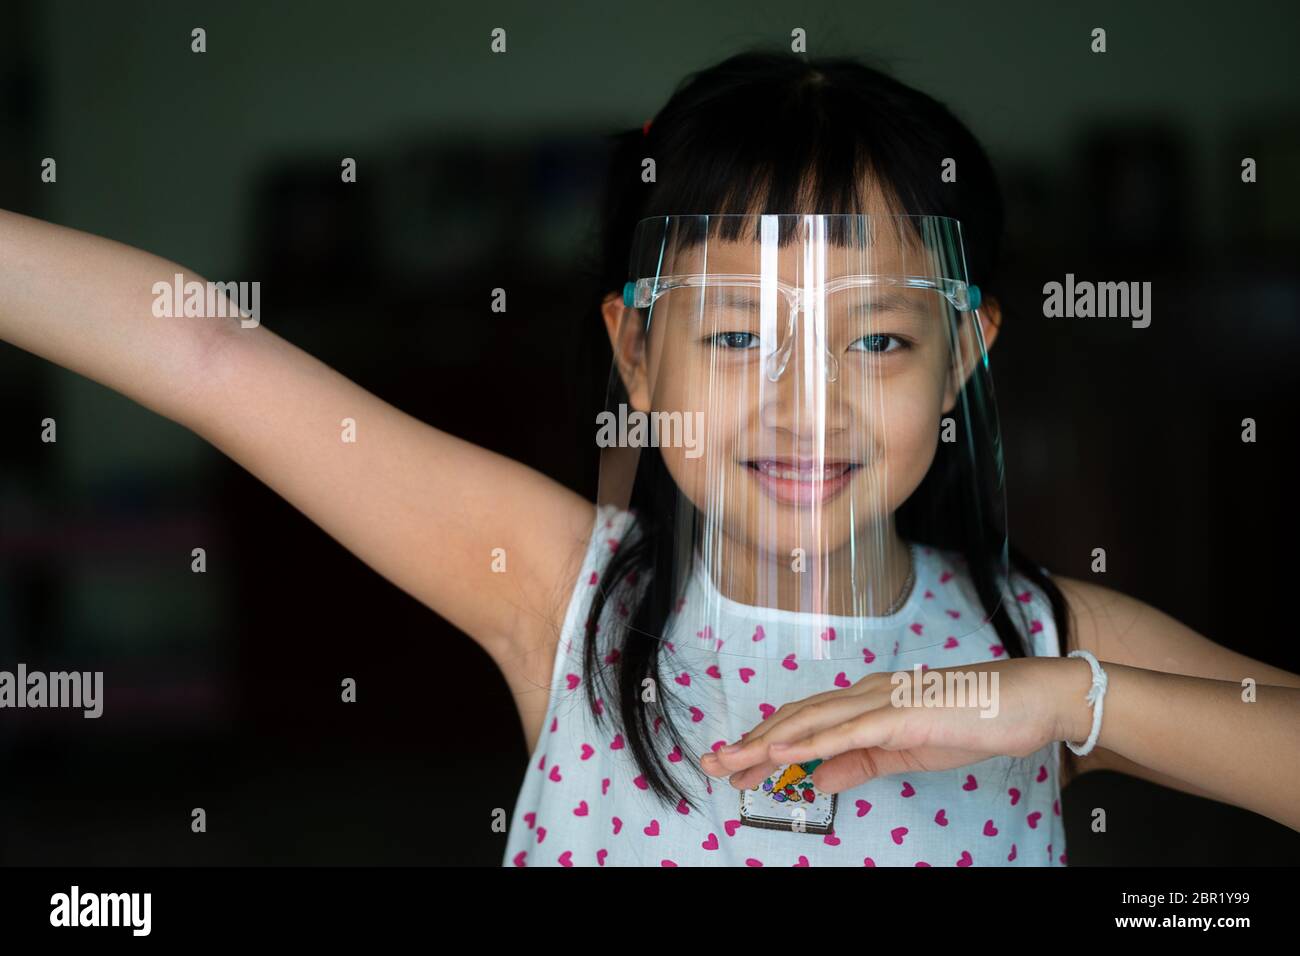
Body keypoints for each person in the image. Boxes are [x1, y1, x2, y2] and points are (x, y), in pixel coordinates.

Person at [1, 50, 1296, 868]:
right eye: (736, 333)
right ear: (635, 353)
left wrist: (1071, 701)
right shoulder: (557, 593)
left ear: (963, 359)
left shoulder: (1044, 640)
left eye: (877, 339)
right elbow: (203, 355)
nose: (808, 406)